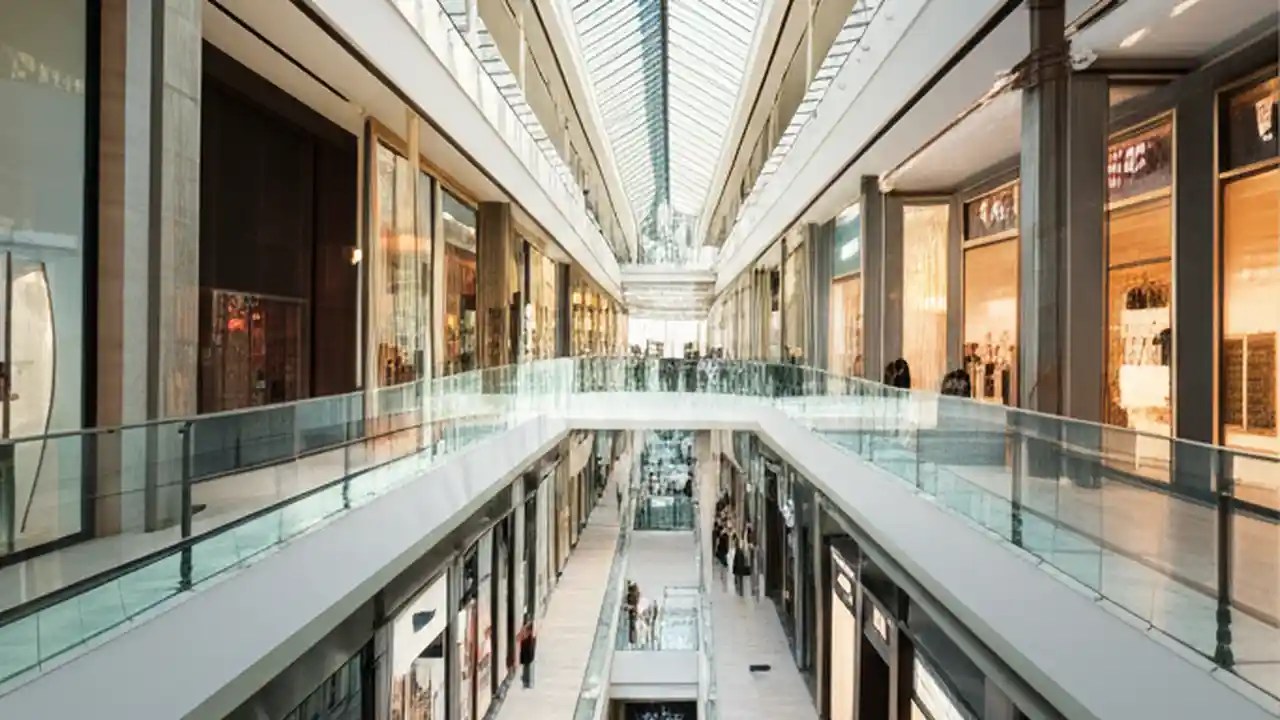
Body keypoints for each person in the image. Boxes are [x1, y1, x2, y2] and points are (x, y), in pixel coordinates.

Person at [519, 613, 537, 688]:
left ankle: (526, 682)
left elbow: (524, 636)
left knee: (526, 666)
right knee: (526, 666)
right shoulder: (531, 627)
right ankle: (526, 681)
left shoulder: (530, 627)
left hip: (527, 653)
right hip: (528, 653)